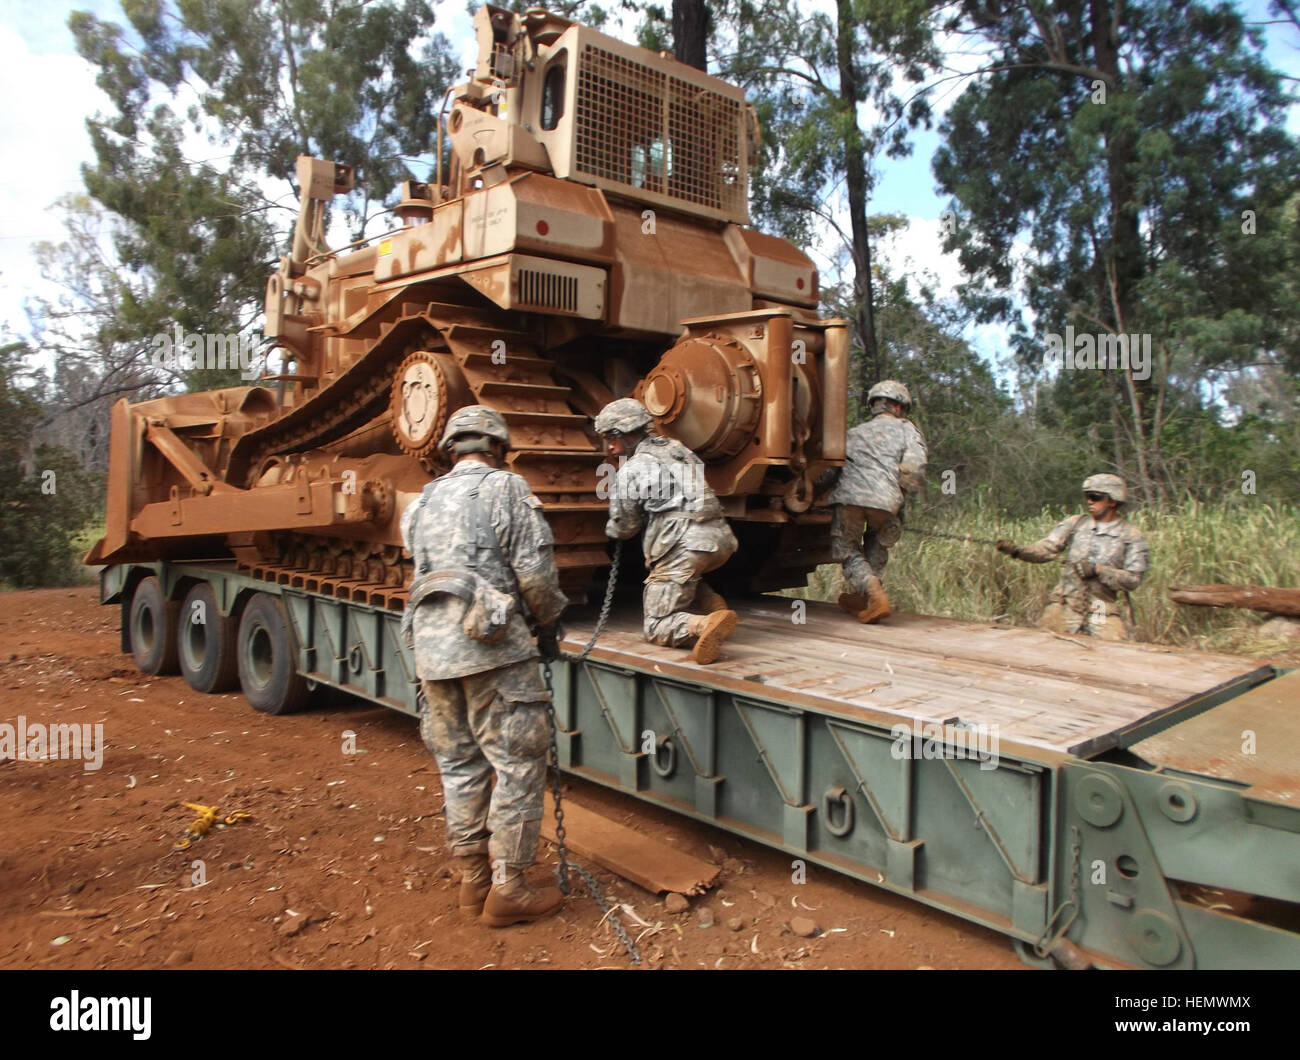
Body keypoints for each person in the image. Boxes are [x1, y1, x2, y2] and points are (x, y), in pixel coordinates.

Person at [400, 404, 569, 927]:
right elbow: (534, 575)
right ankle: (510, 887)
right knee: (517, 762)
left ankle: (472, 882)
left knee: (459, 766)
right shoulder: (508, 489)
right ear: (498, 447)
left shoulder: (422, 501)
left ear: (451, 448)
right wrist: (550, 624)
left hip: (430, 653)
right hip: (494, 651)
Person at [593, 397, 740, 664]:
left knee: (656, 624)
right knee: (680, 572)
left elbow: (624, 526)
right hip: (721, 540)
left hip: (687, 549)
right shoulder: (677, 449)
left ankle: (704, 624)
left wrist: (612, 531)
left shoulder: (632, 469)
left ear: (626, 435)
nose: (611, 448)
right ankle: (711, 602)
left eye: (611, 439)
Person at [995, 474, 1149, 640]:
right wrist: (1017, 550)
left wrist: (1099, 571)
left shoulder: (1131, 535)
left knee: (1110, 650)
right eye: (1087, 497)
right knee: (1043, 644)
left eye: (1095, 497)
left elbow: (1133, 580)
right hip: (1064, 605)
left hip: (1099, 608)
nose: (1089, 501)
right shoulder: (1075, 524)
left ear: (1112, 501)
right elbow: (1047, 549)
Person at [822, 380, 928, 623]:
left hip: (849, 500)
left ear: (874, 406)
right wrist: (900, 497)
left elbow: (831, 472)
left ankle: (870, 592)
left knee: (846, 548)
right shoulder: (907, 430)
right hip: (887, 501)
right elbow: (914, 467)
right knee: (878, 541)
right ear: (900, 408)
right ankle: (871, 593)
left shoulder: (853, 433)